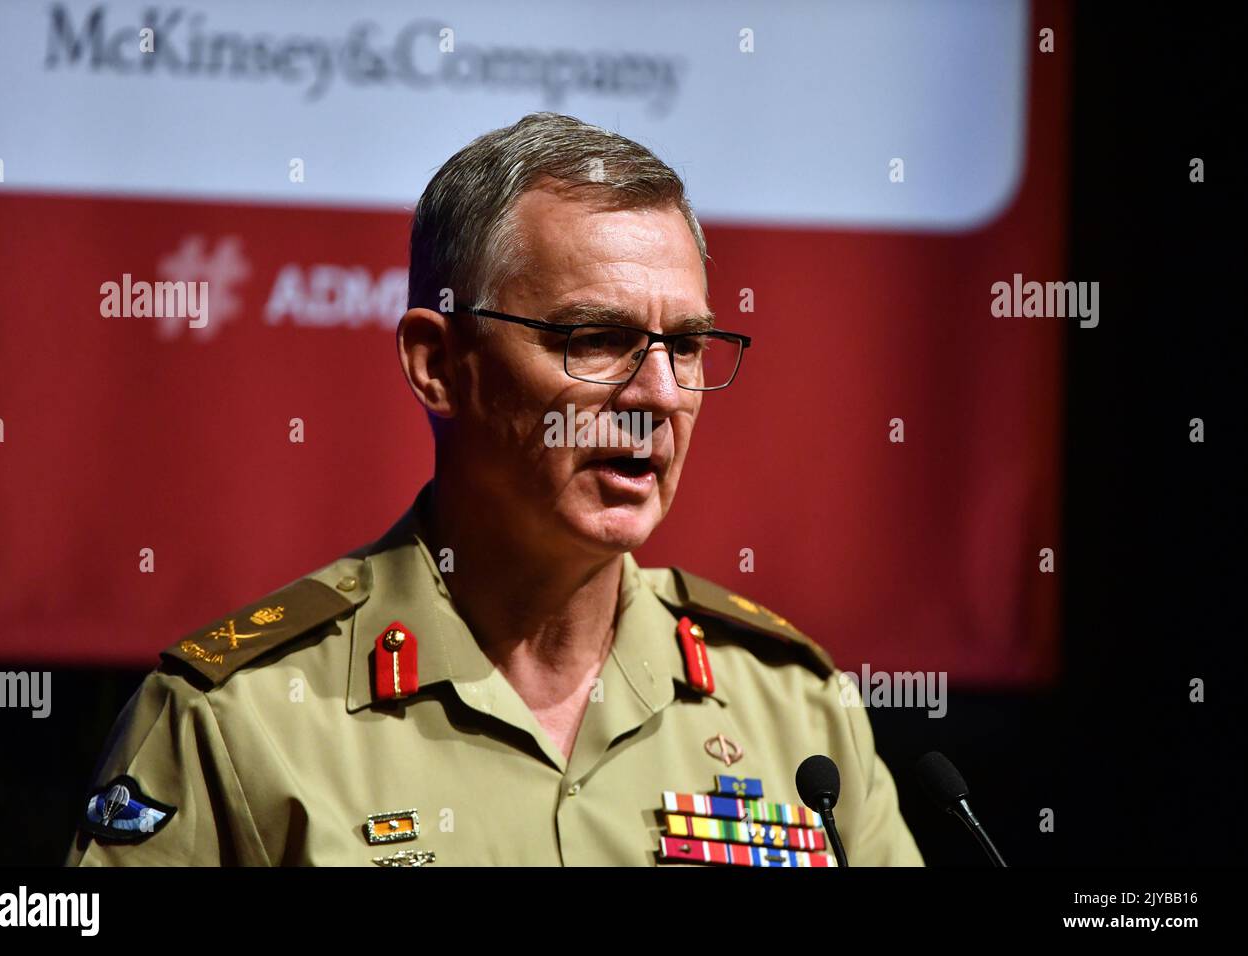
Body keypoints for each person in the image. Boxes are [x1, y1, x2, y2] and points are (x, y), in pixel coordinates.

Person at [67, 112, 924, 867]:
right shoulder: (240, 719)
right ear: (439, 365)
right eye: (596, 337)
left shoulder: (797, 711)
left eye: (688, 346)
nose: (660, 394)